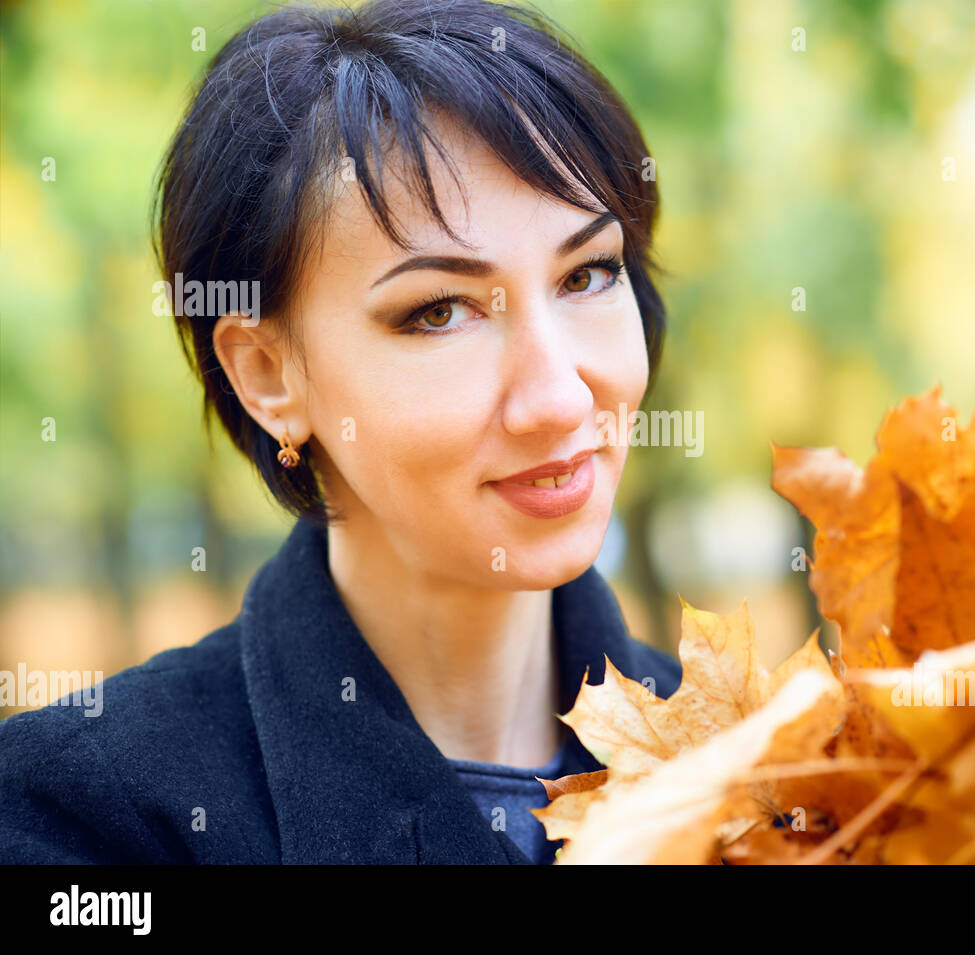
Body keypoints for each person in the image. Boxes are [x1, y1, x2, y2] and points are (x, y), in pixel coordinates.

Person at [0, 0, 681, 864]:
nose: (556, 398)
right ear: (268, 375)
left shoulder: (782, 770)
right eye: (438, 311)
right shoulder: (86, 818)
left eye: (588, 273)